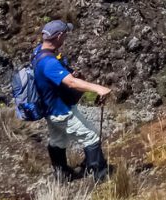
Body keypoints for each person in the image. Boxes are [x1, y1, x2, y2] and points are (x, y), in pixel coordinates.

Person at [32, 20, 112, 182]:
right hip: (61, 111)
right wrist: (98, 88)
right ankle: (100, 176)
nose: (66, 37)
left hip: (49, 109)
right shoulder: (49, 63)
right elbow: (71, 83)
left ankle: (62, 174)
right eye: (65, 34)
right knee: (91, 136)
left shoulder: (38, 53)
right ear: (59, 36)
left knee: (58, 140)